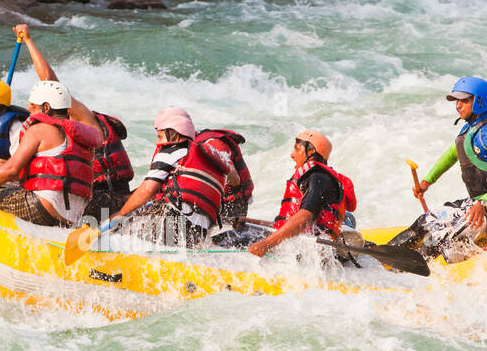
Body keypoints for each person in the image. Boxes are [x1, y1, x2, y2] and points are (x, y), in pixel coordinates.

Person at [10, 24, 134, 220]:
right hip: (108, 196)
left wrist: (28, 40)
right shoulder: (72, 132)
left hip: (103, 200)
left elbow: (49, 81)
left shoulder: (85, 121)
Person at [0, 80, 102, 227]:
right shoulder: (79, 136)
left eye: (33, 107)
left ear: (46, 107)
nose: (29, 112)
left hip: (42, 208)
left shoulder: (39, 130)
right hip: (72, 216)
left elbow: (11, 170)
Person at [398, 76, 487, 252]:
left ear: (480, 101)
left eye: (464, 100)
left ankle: (416, 267)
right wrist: (427, 182)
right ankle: (386, 256)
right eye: (457, 100)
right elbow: (451, 156)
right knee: (425, 221)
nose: (458, 105)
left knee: (443, 238)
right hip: (473, 204)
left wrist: (484, 203)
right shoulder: (468, 130)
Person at [112, 107, 239, 248]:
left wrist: (120, 214)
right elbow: (235, 179)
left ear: (173, 133)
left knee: (119, 233)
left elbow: (147, 190)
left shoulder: (171, 150)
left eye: (160, 136)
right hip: (199, 231)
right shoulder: (209, 160)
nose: (157, 143)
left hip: (174, 223)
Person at [245, 129, 357, 258]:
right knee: (243, 229)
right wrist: (249, 221)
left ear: (311, 151)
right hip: (305, 245)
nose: (292, 155)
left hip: (310, 251)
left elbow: (304, 218)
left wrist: (265, 244)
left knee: (234, 236)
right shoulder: (315, 177)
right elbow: (286, 226)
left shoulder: (319, 177)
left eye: (297, 149)